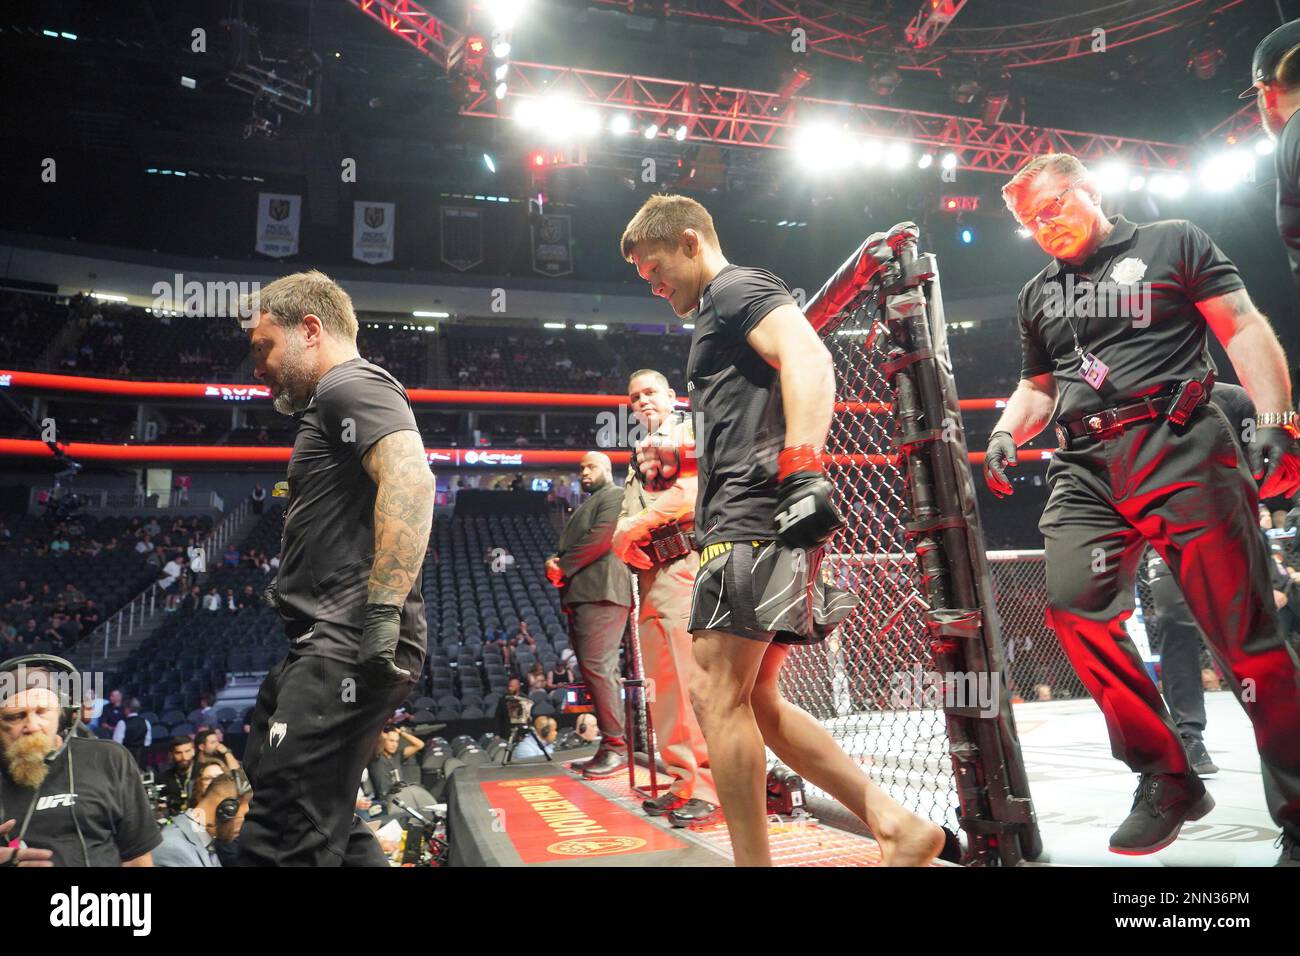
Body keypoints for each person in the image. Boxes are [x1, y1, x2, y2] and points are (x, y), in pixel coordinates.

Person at [986, 152, 1300, 864]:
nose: (1044, 227)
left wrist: (1277, 419)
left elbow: (1242, 325)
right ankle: (1167, 776)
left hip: (1180, 441)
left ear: (1090, 191)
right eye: (1029, 221)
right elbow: (1039, 384)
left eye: (1053, 208)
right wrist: (1007, 429)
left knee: (1245, 640)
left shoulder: (1173, 241)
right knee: (1073, 607)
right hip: (1085, 466)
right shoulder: (1039, 292)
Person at [620, 193, 945, 867]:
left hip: (752, 518)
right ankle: (896, 826)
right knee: (757, 701)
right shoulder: (718, 309)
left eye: (655, 269)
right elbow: (748, 414)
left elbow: (809, 358)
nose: (652, 286)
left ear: (689, 241)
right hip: (753, 513)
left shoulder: (737, 287)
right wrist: (684, 456)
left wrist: (803, 469)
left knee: (716, 693)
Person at [236, 270, 433, 867]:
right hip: (320, 640)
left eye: (264, 346)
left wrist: (380, 616)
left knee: (280, 836)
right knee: (300, 796)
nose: (257, 367)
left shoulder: (351, 383)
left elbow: (412, 479)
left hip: (345, 637)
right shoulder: (332, 401)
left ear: (311, 330)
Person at [610, 367, 720, 826]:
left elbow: (690, 494)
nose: (642, 401)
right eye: (634, 397)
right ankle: (683, 780)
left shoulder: (689, 430)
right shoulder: (641, 453)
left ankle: (711, 790)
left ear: (672, 396)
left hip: (683, 566)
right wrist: (627, 535)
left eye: (650, 392)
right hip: (652, 574)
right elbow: (629, 509)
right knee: (664, 681)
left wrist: (627, 532)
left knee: (689, 678)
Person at [0, 655, 161, 866]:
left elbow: (137, 859)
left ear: (64, 715)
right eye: (15, 716)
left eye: (42, 712)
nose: (32, 726)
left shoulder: (110, 759)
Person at [546, 452, 634, 779]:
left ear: (607, 470)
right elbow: (570, 546)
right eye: (581, 467)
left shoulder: (615, 495)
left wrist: (563, 568)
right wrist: (553, 562)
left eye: (591, 466)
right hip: (585, 594)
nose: (584, 471)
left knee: (599, 668)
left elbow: (601, 539)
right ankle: (610, 745)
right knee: (595, 670)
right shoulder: (586, 504)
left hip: (602, 591)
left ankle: (616, 747)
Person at [153, 771, 252, 867]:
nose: (246, 825)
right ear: (227, 809)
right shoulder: (172, 848)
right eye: (246, 815)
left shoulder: (205, 841)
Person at [366, 724, 424, 799]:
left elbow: (420, 744)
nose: (394, 745)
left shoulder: (397, 756)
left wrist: (400, 732)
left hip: (401, 796)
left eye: (397, 741)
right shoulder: (376, 757)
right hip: (385, 799)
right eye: (391, 741)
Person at [158, 737, 199, 816]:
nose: (184, 757)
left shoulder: (203, 771)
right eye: (178, 753)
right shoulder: (163, 778)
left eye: (187, 751)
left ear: (193, 751)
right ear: (171, 754)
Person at [112, 698, 152, 768]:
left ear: (127, 709)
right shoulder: (146, 722)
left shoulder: (122, 723)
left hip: (126, 761)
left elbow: (116, 745)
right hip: (141, 761)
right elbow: (147, 743)